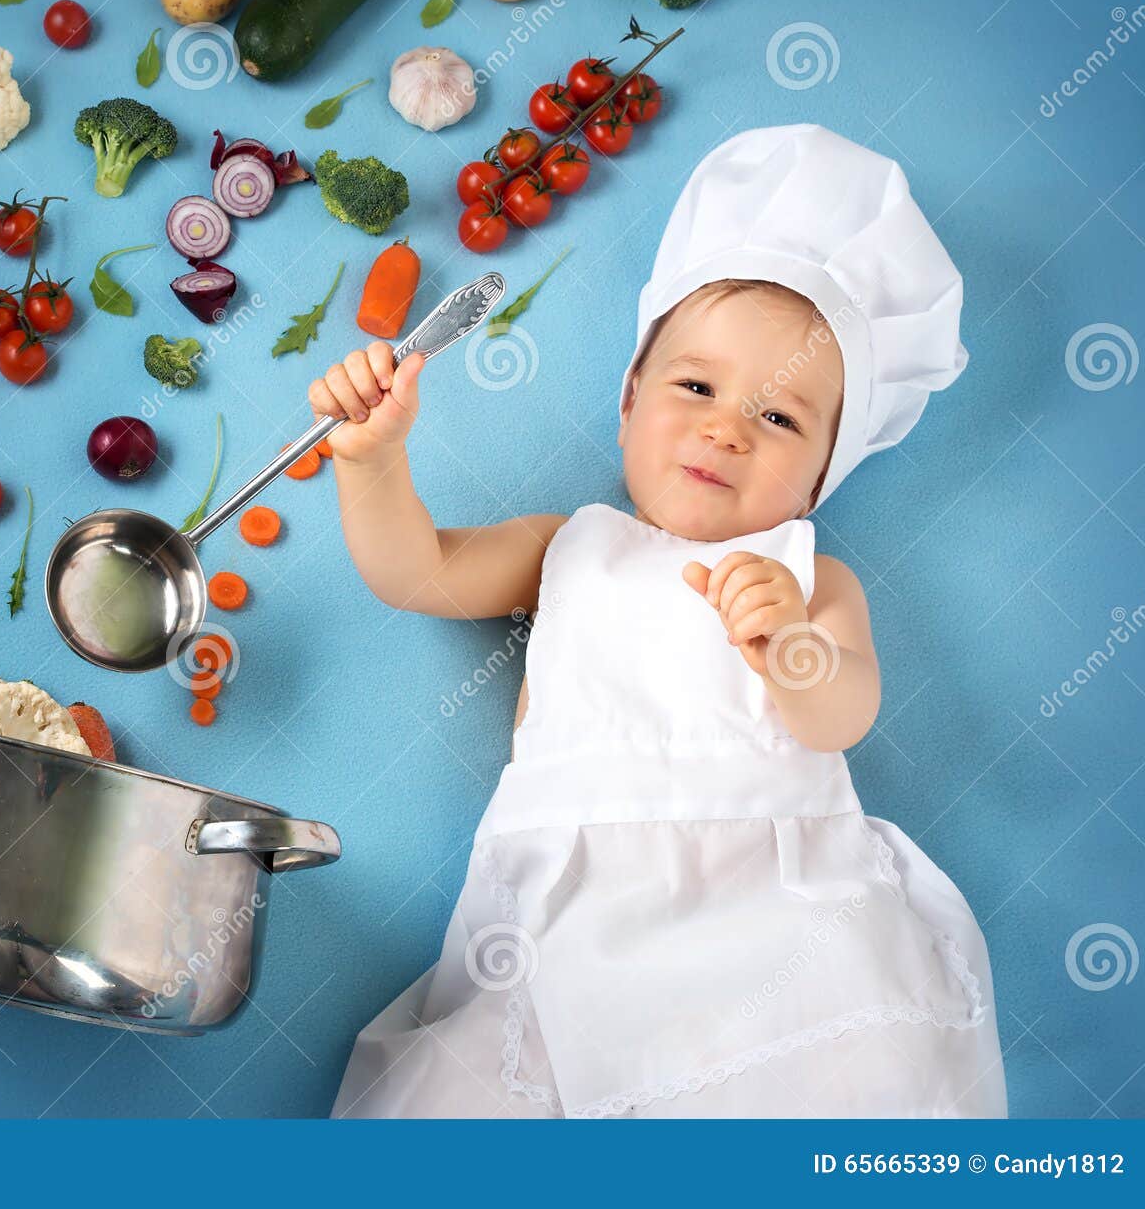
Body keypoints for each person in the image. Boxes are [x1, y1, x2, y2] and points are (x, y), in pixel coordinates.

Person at [316, 125, 1008, 1118]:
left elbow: (841, 714)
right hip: (565, 938)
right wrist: (371, 460)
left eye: (780, 419)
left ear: (821, 476)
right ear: (629, 400)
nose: (726, 426)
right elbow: (414, 571)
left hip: (777, 933)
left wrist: (793, 652)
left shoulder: (808, 578)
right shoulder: (569, 546)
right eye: (695, 386)